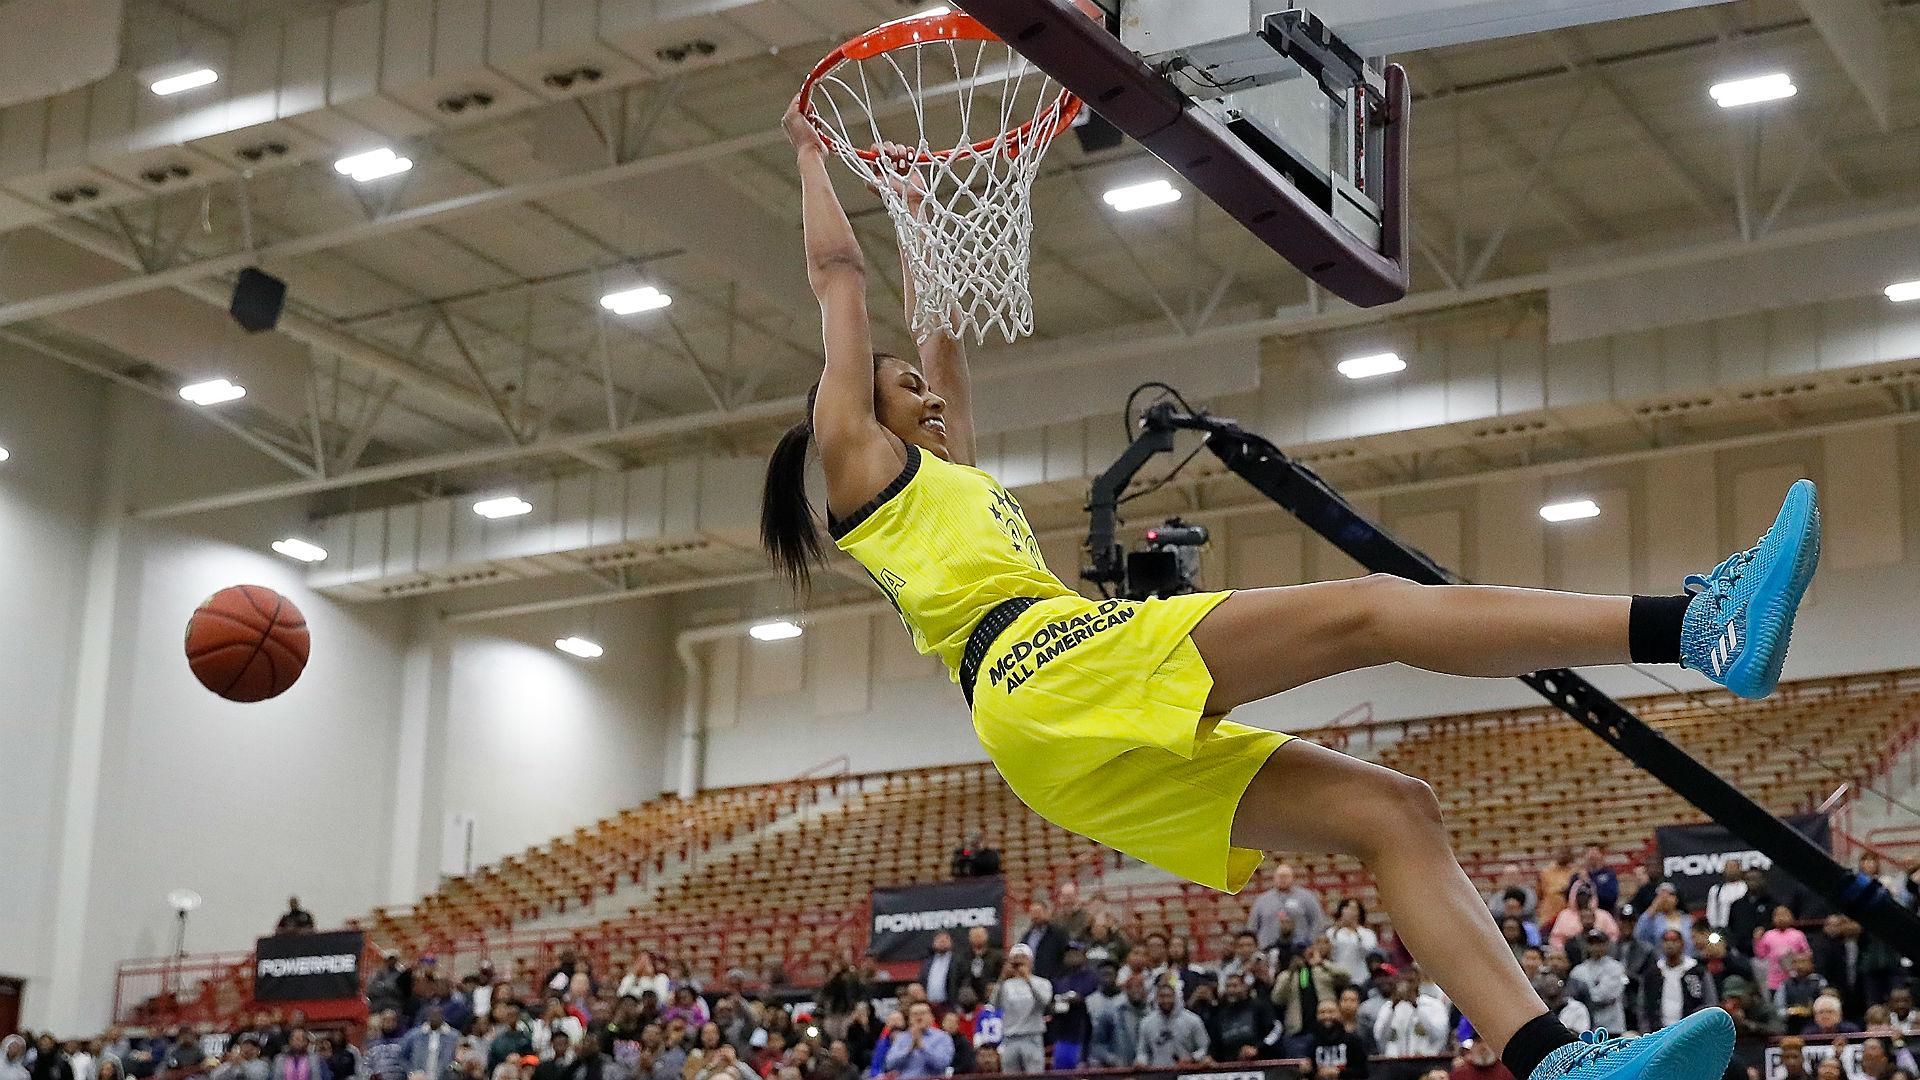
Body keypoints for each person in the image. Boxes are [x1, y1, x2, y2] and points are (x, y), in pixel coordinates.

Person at [770, 96, 1821, 1080]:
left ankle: (1547, 1058)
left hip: (1047, 730)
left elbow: (942, 334)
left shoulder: (951, 473)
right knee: (1370, 608)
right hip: (1046, 666)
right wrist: (819, 152)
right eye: (900, 384)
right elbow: (838, 278)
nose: (928, 393)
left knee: (1393, 813)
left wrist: (922, 202)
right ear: (852, 414)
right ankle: (1698, 631)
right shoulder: (861, 468)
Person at [988, 944, 1051, 1074]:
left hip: (1032, 1036)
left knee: (1035, 1075)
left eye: (1023, 957)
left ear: (1030, 960)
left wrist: (1027, 979)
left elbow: (1045, 1001)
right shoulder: (1005, 985)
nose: (1020, 961)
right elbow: (993, 1004)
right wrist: (1002, 978)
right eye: (1016, 958)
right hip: (1010, 1038)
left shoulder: (1042, 982)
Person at [1249, 865, 1327, 951]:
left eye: (1286, 876)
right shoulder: (1262, 900)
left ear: (1293, 877)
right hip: (1268, 948)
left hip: (1299, 948)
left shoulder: (1307, 897)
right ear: (1274, 878)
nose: (1282, 879)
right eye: (1279, 876)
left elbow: (1317, 922)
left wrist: (1311, 943)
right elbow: (1253, 926)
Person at [1136, 982, 1210, 1067]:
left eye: (1169, 996)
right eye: (1162, 996)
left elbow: (1204, 1048)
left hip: (1185, 1072)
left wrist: (1192, 1058)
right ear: (1156, 998)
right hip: (1158, 1072)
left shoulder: (1193, 1020)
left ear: (1176, 997)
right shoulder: (1146, 1022)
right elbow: (1142, 1052)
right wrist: (1141, 1062)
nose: (1165, 1000)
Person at [879, 1004, 951, 1080]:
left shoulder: (942, 1037)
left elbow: (942, 1064)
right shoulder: (901, 1038)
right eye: (915, 1014)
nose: (919, 1017)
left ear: (931, 1017)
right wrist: (908, 1050)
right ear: (909, 1019)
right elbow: (889, 1064)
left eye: (923, 1013)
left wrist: (922, 1048)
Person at [1091, 977, 1148, 1068]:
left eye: (1139, 987)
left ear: (1145, 991)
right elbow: (1096, 1046)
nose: (1135, 990)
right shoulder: (1111, 1015)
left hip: (1148, 1071)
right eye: (1131, 987)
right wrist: (1112, 1059)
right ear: (1125, 991)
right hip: (1120, 1071)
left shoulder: (1152, 1014)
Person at [1325, 901, 1379, 986]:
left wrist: (1356, 932)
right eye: (1346, 908)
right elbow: (1328, 951)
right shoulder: (1331, 932)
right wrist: (1337, 929)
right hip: (1338, 977)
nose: (1349, 911)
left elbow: (1368, 950)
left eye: (1353, 909)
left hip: (1360, 978)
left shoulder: (1367, 933)